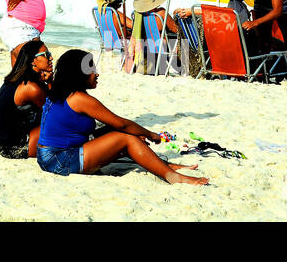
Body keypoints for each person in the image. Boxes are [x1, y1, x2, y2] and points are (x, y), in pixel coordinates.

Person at [37, 49, 209, 185]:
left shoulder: (61, 93)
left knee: (122, 134)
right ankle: (172, 176)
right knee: (126, 138)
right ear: (78, 73)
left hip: (48, 156)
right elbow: (122, 124)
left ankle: (164, 165)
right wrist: (150, 134)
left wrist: (134, 132)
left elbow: (113, 126)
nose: (96, 73)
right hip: (59, 160)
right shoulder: (80, 99)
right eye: (91, 69)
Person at [0, 40, 53, 159]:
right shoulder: (30, 88)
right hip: (14, 147)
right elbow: (56, 112)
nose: (51, 58)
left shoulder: (20, 79)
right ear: (33, 61)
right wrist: (50, 83)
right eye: (46, 55)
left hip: (5, 141)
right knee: (63, 125)